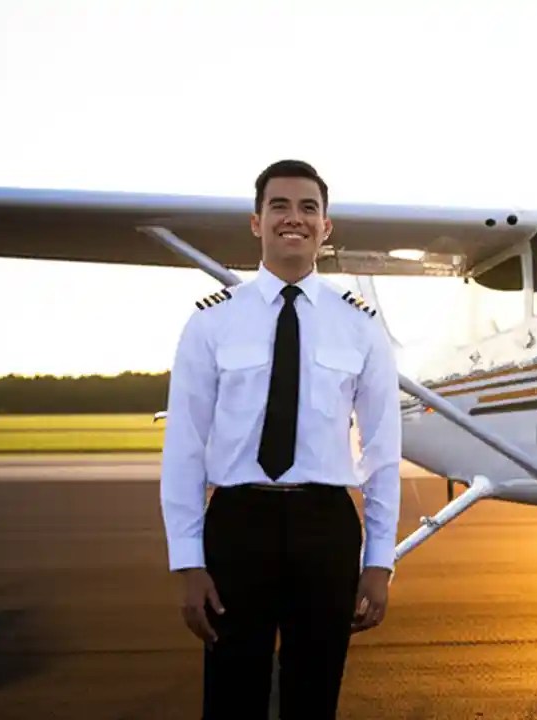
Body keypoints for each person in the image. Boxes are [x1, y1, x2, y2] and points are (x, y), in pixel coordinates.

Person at [158, 159, 402, 719]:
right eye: (280, 206)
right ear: (256, 221)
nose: (294, 219)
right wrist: (188, 561)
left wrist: (380, 561)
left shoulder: (359, 326)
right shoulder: (211, 324)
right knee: (230, 698)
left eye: (308, 208)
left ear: (326, 226)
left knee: (312, 699)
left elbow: (383, 450)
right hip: (238, 526)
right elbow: (185, 450)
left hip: (327, 530)